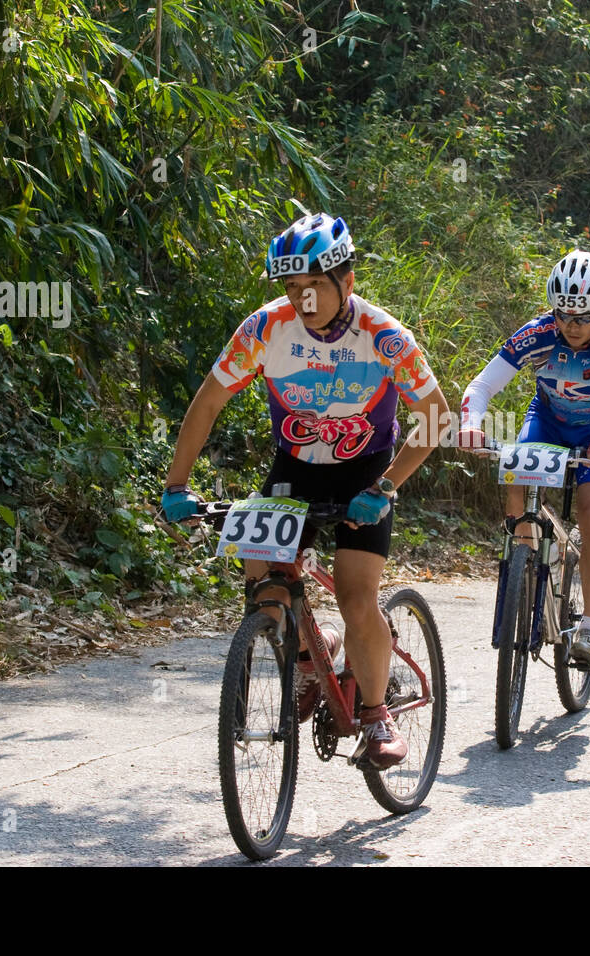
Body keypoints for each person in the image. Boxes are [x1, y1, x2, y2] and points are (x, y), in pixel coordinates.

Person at [159, 212, 450, 769]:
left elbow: (437, 418)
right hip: (294, 467)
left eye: (315, 284)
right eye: (292, 287)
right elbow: (208, 403)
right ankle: (313, 662)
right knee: (263, 581)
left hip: (364, 472)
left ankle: (374, 713)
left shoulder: (384, 337)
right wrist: (176, 484)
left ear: (348, 280)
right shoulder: (265, 329)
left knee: (355, 595)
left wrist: (386, 487)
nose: (303, 299)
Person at [456, 250, 590, 664]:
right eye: (563, 315)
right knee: (517, 488)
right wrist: (471, 423)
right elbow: (482, 386)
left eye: (583, 317)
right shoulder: (538, 333)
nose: (572, 326)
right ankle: (528, 573)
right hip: (547, 419)